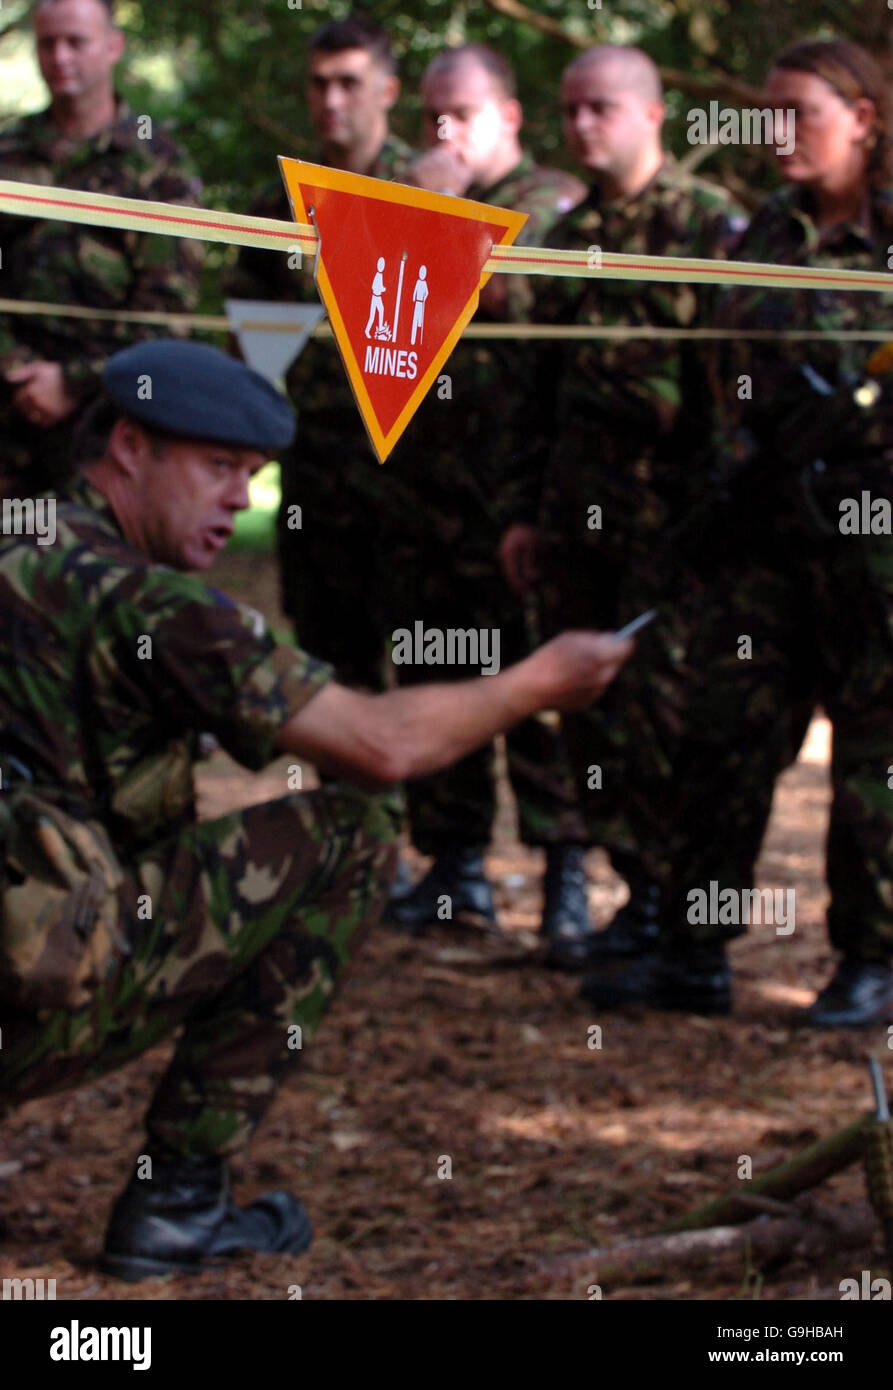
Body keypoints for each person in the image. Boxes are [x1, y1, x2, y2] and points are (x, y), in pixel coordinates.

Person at [0, 339, 630, 1279]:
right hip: (23, 1012)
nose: (238, 500)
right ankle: (178, 1200)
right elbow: (381, 743)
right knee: (349, 835)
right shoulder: (151, 602)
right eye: (217, 467)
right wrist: (538, 680)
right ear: (128, 448)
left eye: (251, 476)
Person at [581, 39, 893, 1027]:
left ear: (863, 119)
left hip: (874, 539)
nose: (773, 133)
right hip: (763, 535)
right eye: (764, 111)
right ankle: (691, 941)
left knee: (873, 751)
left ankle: (869, 960)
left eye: (797, 111)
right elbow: (723, 372)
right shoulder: (762, 230)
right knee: (722, 733)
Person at [497, 45, 745, 964]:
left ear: (651, 114)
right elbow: (537, 386)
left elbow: (735, 387)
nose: (581, 126)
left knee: (670, 717)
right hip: (575, 521)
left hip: (674, 526)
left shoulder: (706, 223)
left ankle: (683, 921)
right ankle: (638, 898)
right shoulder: (564, 238)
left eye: (600, 107)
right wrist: (522, 511)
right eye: (569, 110)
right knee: (590, 714)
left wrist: (720, 516)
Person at [381, 45, 595, 967]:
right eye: (431, 117)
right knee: (442, 674)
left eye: (461, 114)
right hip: (433, 492)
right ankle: (455, 868)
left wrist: (433, 204)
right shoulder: (417, 195)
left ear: (509, 115)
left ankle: (566, 885)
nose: (444, 134)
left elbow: (510, 289)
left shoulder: (554, 203)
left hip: (525, 494)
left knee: (541, 691)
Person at [227, 12, 414, 693]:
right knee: (332, 675)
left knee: (436, 677)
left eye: (349, 83)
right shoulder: (278, 207)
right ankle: (349, 805)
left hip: (420, 481)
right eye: (318, 85)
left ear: (387, 91)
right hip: (315, 478)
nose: (332, 101)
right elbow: (248, 347)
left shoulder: (429, 196)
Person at [0, 0, 202, 498]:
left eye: (77, 41)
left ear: (114, 46)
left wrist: (71, 382)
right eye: (48, 43)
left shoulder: (158, 166)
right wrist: (15, 365)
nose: (60, 57)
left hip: (107, 428)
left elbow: (165, 318)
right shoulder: (7, 152)